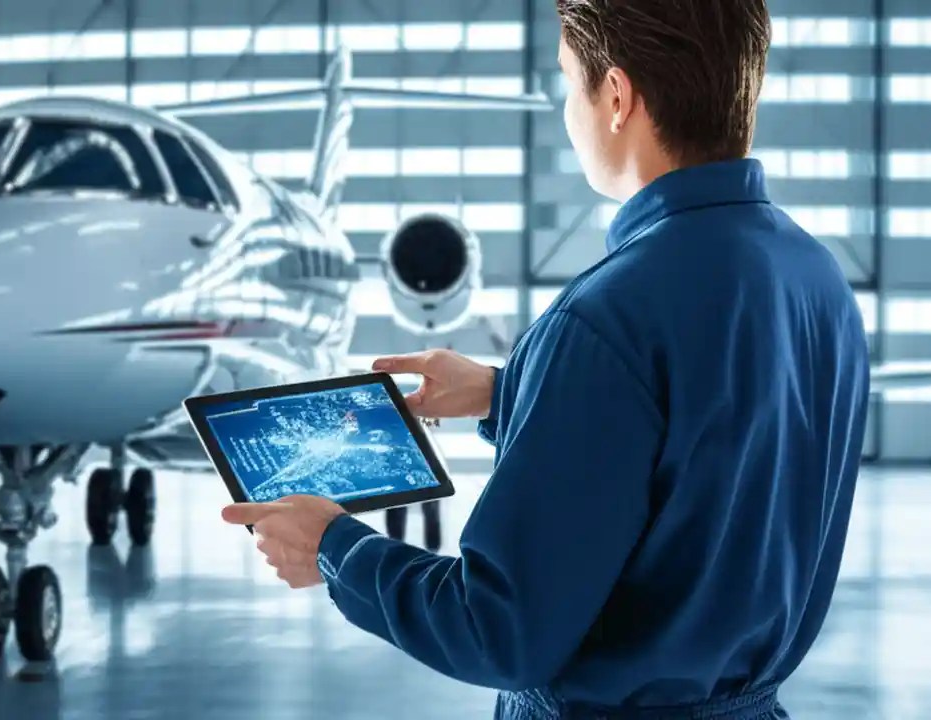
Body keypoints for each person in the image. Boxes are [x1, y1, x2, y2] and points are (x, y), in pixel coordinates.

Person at [221, 0, 870, 717]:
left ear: (616, 97)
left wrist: (335, 549)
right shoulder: (816, 280)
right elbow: (707, 439)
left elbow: (499, 632)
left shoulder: (605, 316)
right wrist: (509, 392)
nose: (569, 110)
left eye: (568, 81)